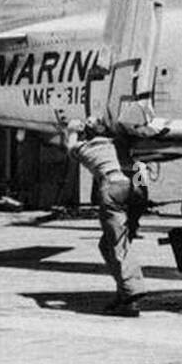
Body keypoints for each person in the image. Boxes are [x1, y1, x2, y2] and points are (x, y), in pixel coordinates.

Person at [62, 115, 146, 316]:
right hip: (135, 187)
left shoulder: (87, 148)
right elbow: (135, 167)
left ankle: (132, 292)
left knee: (116, 243)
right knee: (108, 244)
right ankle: (122, 292)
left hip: (112, 187)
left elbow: (69, 146)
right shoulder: (117, 144)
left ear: (88, 133)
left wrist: (71, 128)